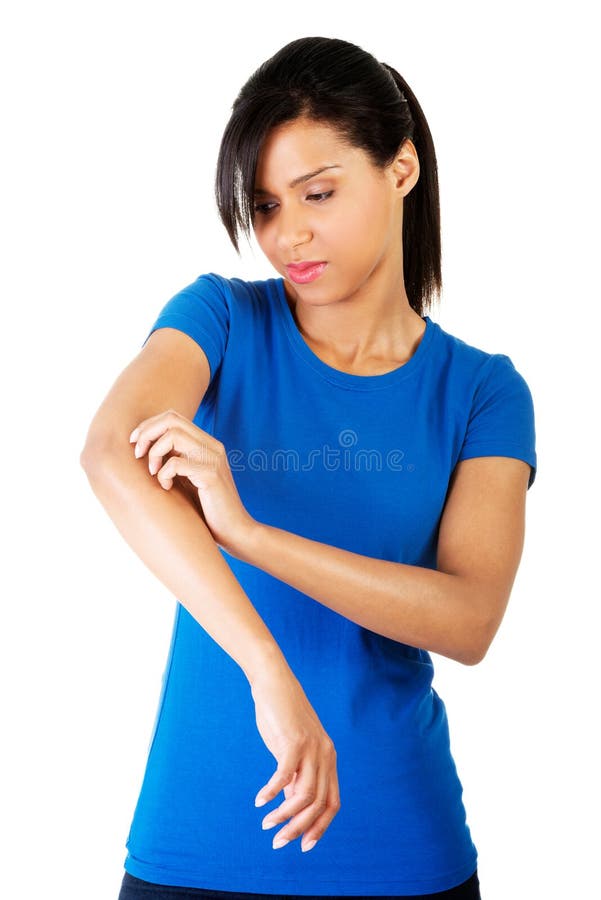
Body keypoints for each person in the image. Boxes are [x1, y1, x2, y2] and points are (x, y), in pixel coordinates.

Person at [80, 36, 537, 900]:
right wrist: (267, 670)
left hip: (400, 852)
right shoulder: (219, 319)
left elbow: (469, 618)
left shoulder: (481, 391)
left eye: (317, 194)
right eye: (262, 206)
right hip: (195, 848)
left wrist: (248, 533)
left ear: (399, 169)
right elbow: (111, 451)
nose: (286, 235)